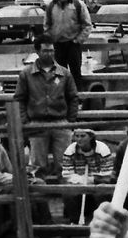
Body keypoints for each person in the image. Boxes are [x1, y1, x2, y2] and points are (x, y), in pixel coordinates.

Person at [14, 33, 79, 177]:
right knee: (37, 166)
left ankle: (66, 196)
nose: (49, 54)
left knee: (65, 165)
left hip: (61, 123)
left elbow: (73, 97)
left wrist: (70, 121)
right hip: (36, 123)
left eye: (51, 50)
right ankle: (40, 195)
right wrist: (26, 121)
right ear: (37, 52)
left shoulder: (65, 73)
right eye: (45, 51)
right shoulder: (26, 74)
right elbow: (19, 99)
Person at [43, 0, 93, 89]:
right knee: (58, 75)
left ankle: (77, 100)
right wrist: (49, 40)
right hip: (57, 46)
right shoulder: (51, 6)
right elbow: (46, 25)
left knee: (75, 74)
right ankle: (62, 100)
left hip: (73, 45)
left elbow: (87, 25)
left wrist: (78, 40)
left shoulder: (78, 5)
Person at [62, 127, 115, 225]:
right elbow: (67, 174)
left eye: (83, 136)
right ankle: (74, 220)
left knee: (103, 192)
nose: (79, 139)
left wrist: (91, 180)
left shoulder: (102, 149)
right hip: (78, 183)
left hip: (98, 183)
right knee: (68, 193)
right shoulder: (70, 150)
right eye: (77, 136)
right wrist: (80, 180)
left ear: (91, 137)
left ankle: (103, 221)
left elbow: (107, 175)